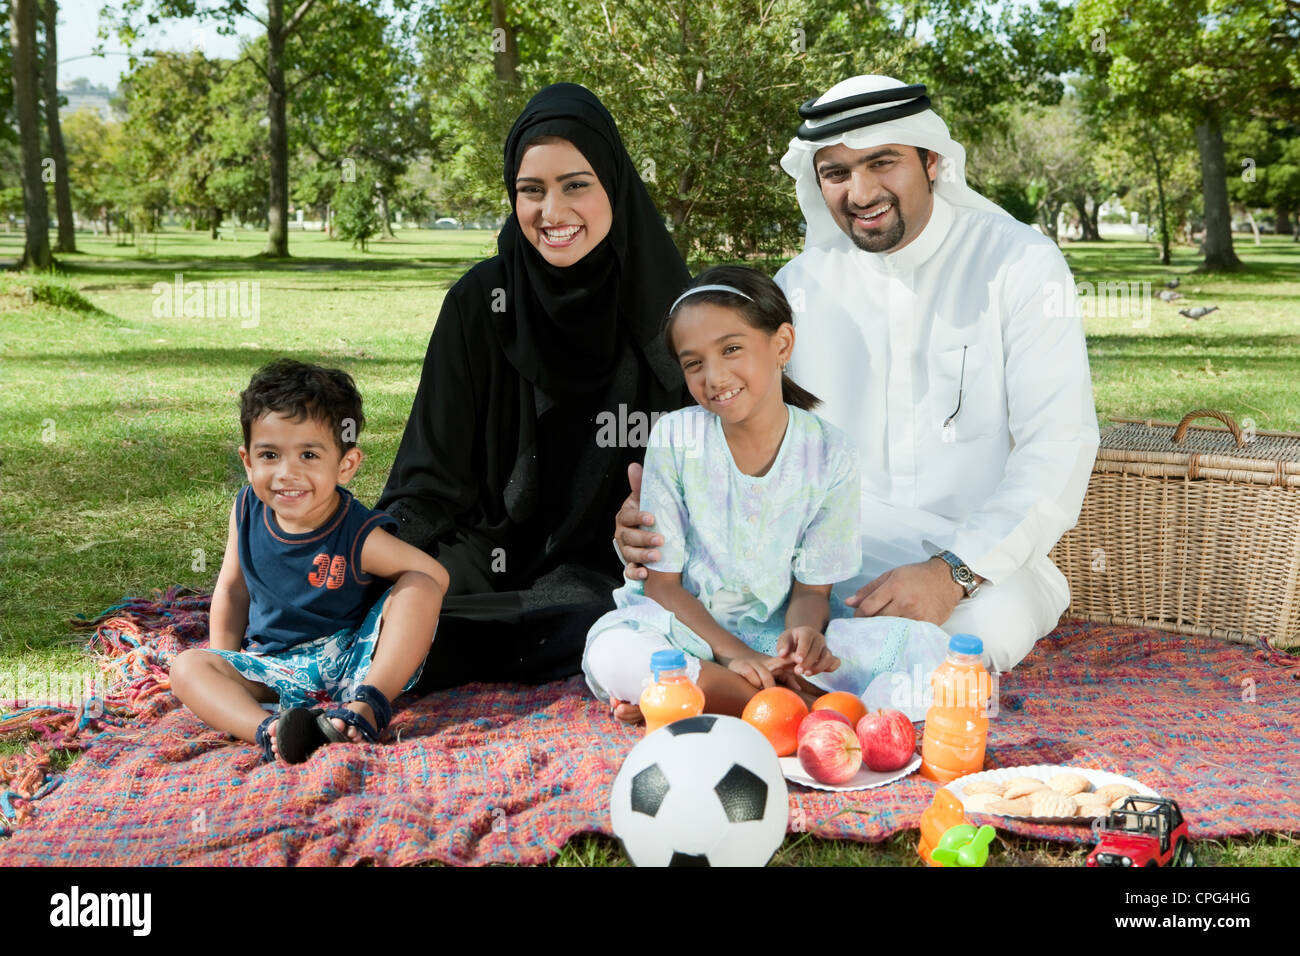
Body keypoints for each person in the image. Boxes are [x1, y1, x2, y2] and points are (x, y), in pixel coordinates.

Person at [616, 76, 1099, 674]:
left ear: (930, 160)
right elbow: (751, 431)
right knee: (674, 608)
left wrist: (952, 573)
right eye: (836, 173)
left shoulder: (1020, 264)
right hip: (815, 548)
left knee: (971, 641)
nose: (861, 191)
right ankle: (754, 672)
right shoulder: (799, 288)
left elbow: (1058, 447)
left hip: (978, 557)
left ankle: (728, 682)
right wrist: (667, 509)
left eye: (882, 162)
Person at [376, 84, 691, 691]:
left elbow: (720, 458)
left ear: (614, 188)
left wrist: (657, 519)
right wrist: (361, 551)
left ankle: (418, 646)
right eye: (531, 190)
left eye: (576, 185)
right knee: (397, 591)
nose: (553, 211)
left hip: (602, 564)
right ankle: (407, 632)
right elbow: (430, 476)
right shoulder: (479, 302)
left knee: (595, 617)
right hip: (482, 545)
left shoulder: (668, 309)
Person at [586, 267, 950, 722]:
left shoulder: (830, 451)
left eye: (732, 349)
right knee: (616, 653)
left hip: (773, 637)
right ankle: (798, 709)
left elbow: (813, 591)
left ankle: (691, 697)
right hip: (684, 629)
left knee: (929, 651)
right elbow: (662, 587)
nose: (715, 377)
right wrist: (737, 656)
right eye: (693, 362)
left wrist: (800, 640)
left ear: (781, 344)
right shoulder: (674, 438)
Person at [171, 359, 449, 764]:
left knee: (420, 585)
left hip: (351, 662)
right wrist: (224, 664)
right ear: (247, 461)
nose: (287, 473)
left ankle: (365, 710)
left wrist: (381, 654)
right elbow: (232, 589)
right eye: (269, 454)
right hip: (273, 670)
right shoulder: (247, 509)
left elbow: (434, 575)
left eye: (308, 455)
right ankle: (272, 731)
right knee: (187, 667)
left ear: (346, 465)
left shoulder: (356, 534)